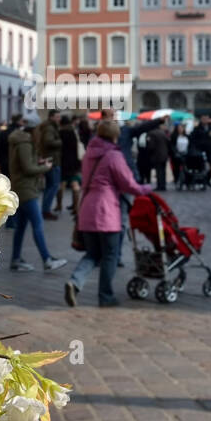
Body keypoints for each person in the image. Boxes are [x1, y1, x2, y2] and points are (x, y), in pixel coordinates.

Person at [65, 119, 151, 308]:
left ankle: (75, 281)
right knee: (110, 254)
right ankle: (105, 295)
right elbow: (128, 184)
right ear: (115, 135)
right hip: (106, 211)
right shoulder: (114, 155)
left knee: (92, 253)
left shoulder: (89, 153)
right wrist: (146, 188)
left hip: (87, 207)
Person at [8, 112, 67, 273]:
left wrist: (38, 162)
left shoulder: (21, 140)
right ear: (34, 129)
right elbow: (28, 168)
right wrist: (44, 167)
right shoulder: (25, 143)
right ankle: (47, 259)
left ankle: (16, 259)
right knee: (38, 224)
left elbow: (24, 163)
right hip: (26, 188)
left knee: (21, 227)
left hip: (21, 186)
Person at [36, 110, 63, 220]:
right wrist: (61, 142)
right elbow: (48, 142)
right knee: (53, 186)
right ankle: (45, 210)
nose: (59, 119)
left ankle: (45, 209)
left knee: (50, 186)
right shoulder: (49, 128)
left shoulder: (49, 127)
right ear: (51, 117)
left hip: (50, 158)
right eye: (57, 117)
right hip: (52, 160)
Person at [57, 114, 82, 215]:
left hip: (62, 161)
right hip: (74, 161)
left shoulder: (60, 133)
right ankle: (76, 207)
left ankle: (59, 205)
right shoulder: (73, 132)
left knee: (61, 185)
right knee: (75, 185)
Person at [144, 118, 170, 191]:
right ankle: (163, 185)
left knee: (159, 171)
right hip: (164, 155)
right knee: (163, 171)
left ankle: (160, 186)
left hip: (157, 155)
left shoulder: (151, 133)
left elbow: (150, 146)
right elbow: (168, 143)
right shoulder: (163, 132)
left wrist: (149, 153)